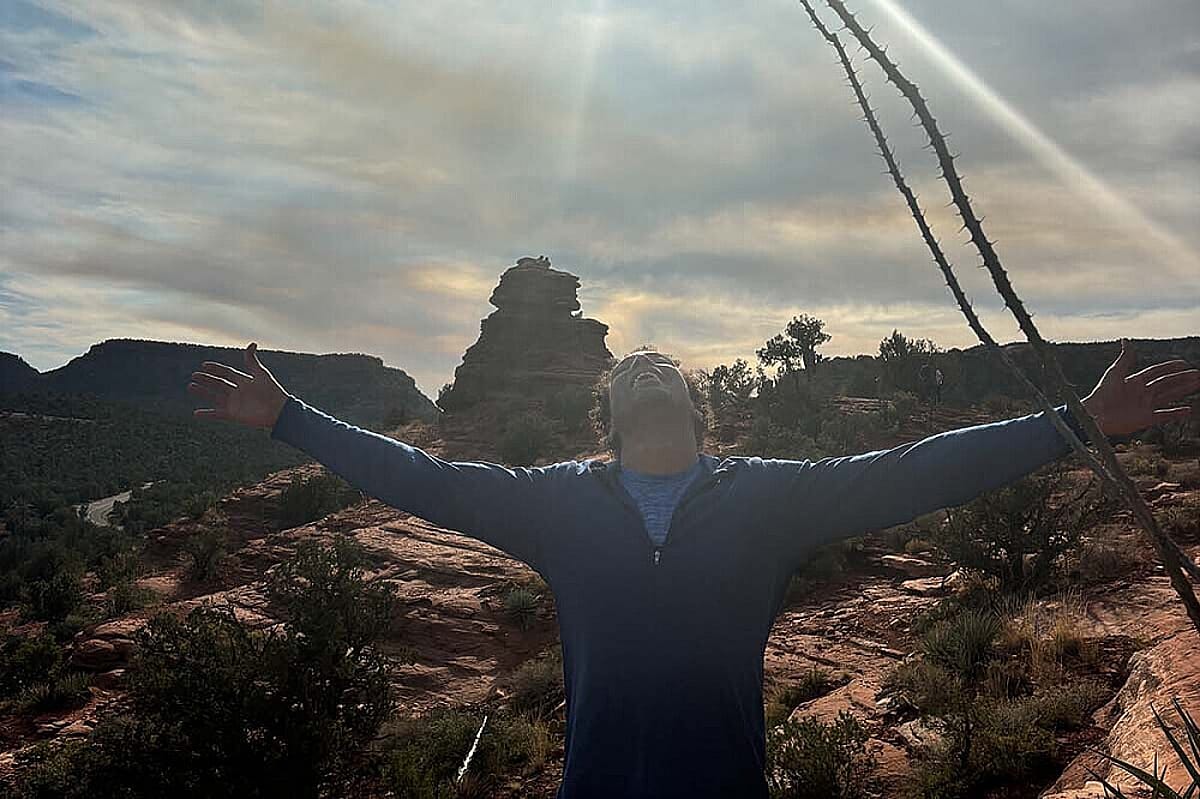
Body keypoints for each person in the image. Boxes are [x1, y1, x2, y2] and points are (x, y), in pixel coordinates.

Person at [188, 339, 1197, 799]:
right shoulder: (554, 503)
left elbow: (914, 471)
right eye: (632, 373)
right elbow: (426, 479)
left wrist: (1073, 425)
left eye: (667, 369)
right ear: (612, 416)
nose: (651, 373)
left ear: (698, 409)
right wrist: (288, 417)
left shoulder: (768, 495)